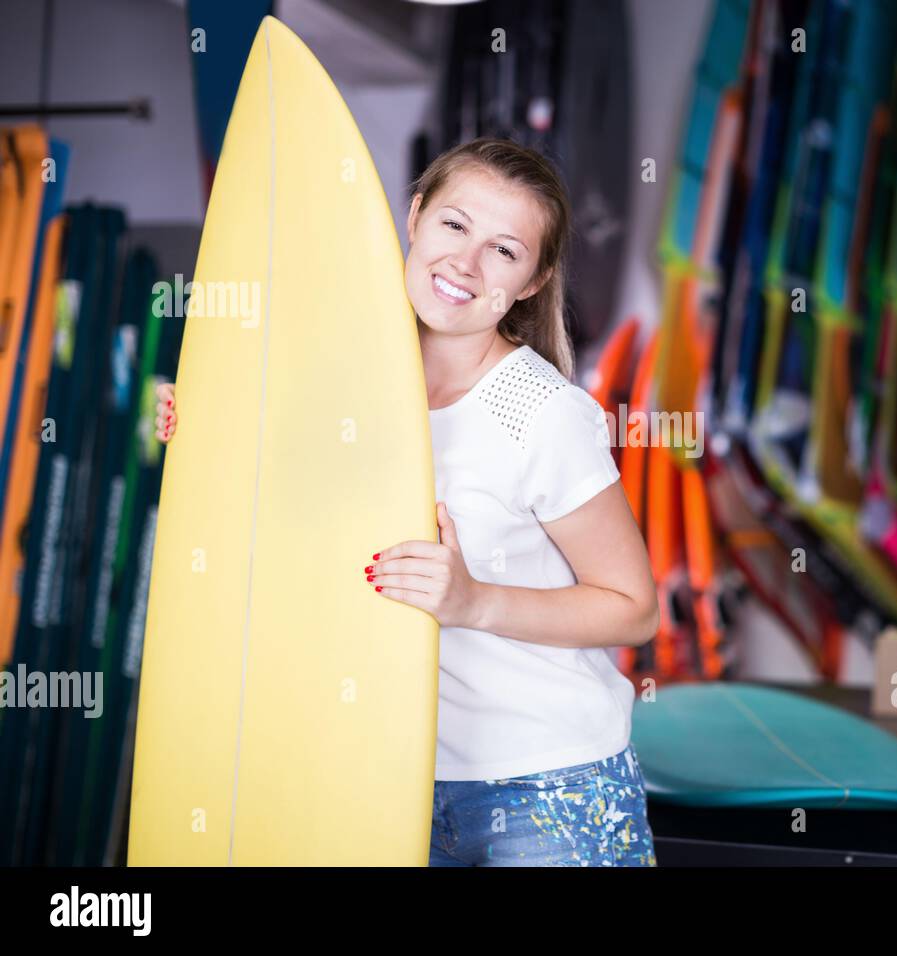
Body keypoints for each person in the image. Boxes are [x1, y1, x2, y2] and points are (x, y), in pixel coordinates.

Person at [155, 137, 659, 867]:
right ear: (416, 216)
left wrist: (474, 600)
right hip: (383, 776)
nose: (467, 263)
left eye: (505, 251)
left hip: (549, 785)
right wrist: (199, 435)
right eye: (455, 226)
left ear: (532, 280)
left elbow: (633, 605)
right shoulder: (340, 384)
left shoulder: (541, 413)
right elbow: (289, 526)